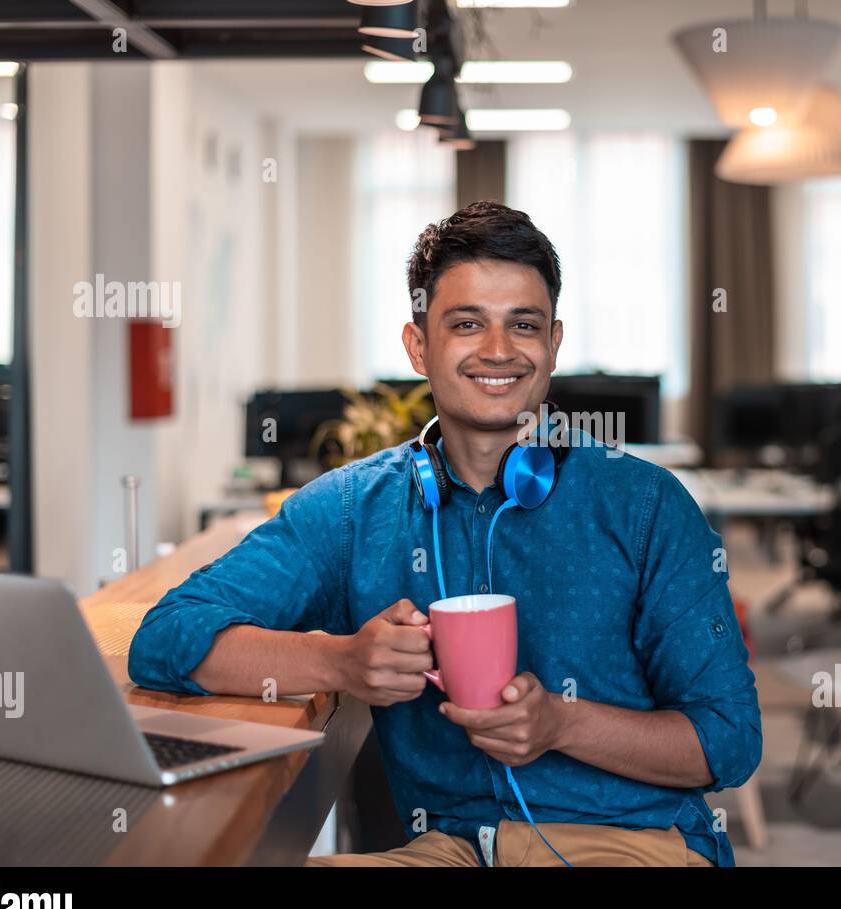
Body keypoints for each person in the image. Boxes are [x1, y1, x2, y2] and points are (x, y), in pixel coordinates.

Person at [127, 201, 761, 867]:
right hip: (451, 850)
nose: (498, 350)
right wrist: (341, 662)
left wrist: (562, 724)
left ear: (553, 344)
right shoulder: (352, 509)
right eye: (467, 324)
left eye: (524, 325)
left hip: (633, 843)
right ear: (418, 345)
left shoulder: (646, 504)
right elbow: (167, 638)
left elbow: (729, 740)